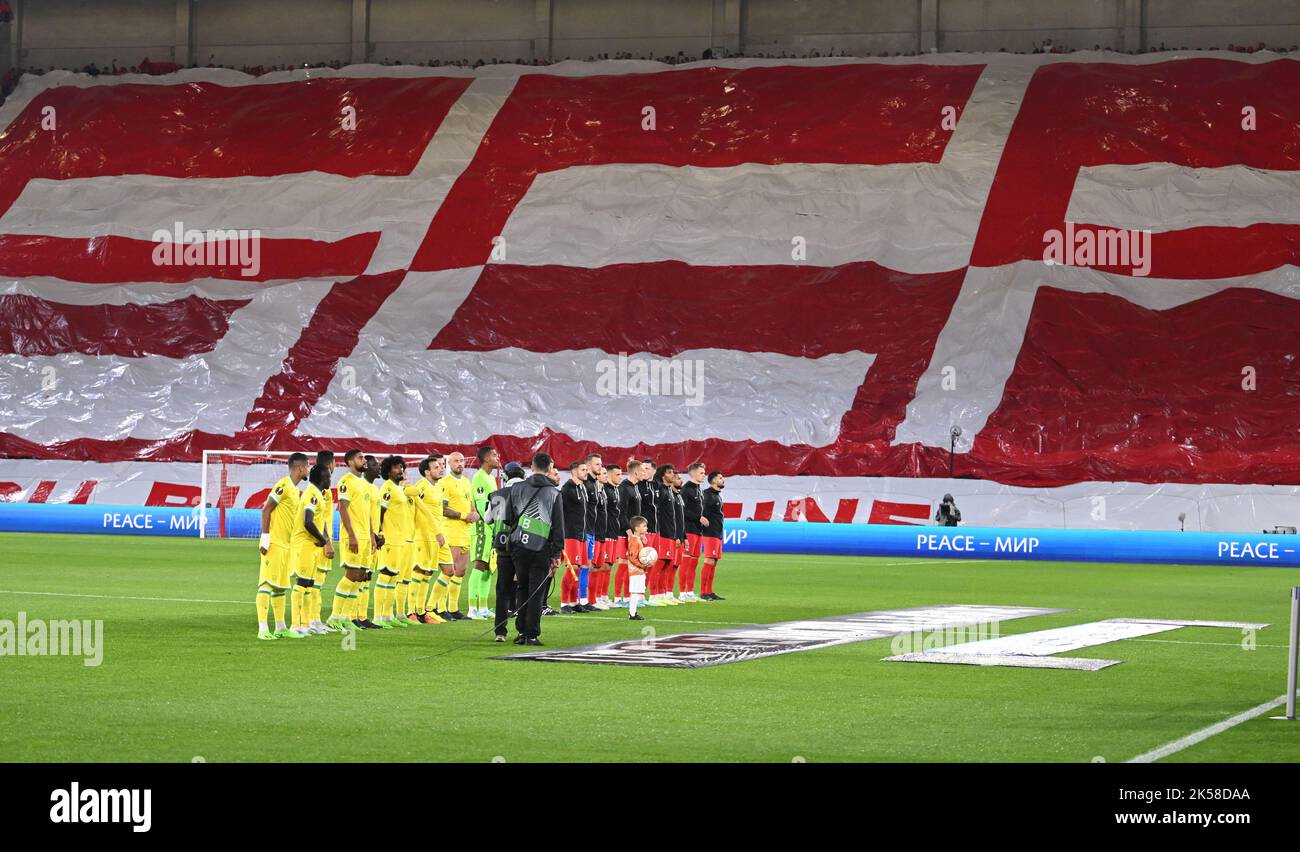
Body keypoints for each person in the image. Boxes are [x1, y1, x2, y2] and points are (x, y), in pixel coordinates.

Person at [503, 453, 566, 645]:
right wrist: (557, 552)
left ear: (531, 466)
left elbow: (507, 517)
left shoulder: (517, 488)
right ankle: (531, 633)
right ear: (549, 468)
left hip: (519, 546)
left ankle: (521, 632)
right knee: (536, 591)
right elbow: (558, 525)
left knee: (521, 588)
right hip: (542, 547)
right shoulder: (554, 493)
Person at [256, 453, 309, 640]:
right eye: (307, 466)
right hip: (275, 543)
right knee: (267, 584)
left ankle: (280, 627)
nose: (308, 470)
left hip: (287, 545)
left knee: (280, 587)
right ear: (300, 468)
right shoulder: (283, 485)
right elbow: (266, 508)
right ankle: (263, 629)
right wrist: (265, 537)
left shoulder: (295, 490)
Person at [328, 449, 377, 631]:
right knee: (350, 576)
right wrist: (352, 535)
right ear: (350, 462)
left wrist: (372, 536)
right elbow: (343, 509)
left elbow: (368, 514)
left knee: (360, 577)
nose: (364, 460)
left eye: (364, 457)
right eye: (360, 458)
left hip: (365, 537)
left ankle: (347, 617)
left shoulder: (364, 484)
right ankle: (335, 616)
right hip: (353, 537)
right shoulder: (345, 482)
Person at [290, 463, 335, 637]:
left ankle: (306, 623)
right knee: (302, 583)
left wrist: (321, 540)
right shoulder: (311, 494)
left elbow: (318, 520)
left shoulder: (318, 494)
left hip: (312, 544)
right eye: (328, 477)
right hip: (304, 544)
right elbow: (308, 522)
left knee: (309, 584)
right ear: (321, 478)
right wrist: (322, 539)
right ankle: (295, 625)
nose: (330, 479)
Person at [374, 456, 416, 629]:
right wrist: (379, 533)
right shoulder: (387, 488)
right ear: (388, 470)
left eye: (402, 467)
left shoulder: (398, 489)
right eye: (397, 467)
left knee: (393, 578)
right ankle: (378, 616)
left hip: (400, 540)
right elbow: (379, 512)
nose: (400, 470)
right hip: (389, 540)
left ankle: (387, 615)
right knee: (385, 575)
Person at [490, 462, 527, 641]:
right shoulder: (526, 493)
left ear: (505, 476)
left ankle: (500, 631)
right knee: (522, 588)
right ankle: (522, 630)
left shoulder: (498, 495)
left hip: (502, 546)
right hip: (522, 545)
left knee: (502, 590)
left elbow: (489, 518)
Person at [438, 452, 476, 619]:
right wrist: (463, 515)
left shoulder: (467, 482)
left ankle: (453, 608)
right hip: (451, 532)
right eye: (456, 461)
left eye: (461, 460)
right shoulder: (445, 483)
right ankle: (440, 608)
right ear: (448, 463)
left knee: (461, 571)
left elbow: (470, 504)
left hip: (465, 532)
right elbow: (443, 509)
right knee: (449, 570)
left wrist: (474, 514)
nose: (459, 464)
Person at [468, 446, 499, 620]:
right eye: (494, 455)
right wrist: (491, 523)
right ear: (486, 459)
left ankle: (483, 607)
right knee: (480, 565)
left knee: (488, 569)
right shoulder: (479, 478)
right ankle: (472, 609)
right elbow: (481, 507)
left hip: (491, 528)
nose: (497, 458)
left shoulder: (491, 478)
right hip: (482, 528)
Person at [559, 459, 590, 613]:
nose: (586, 472)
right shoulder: (567, 489)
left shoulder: (582, 488)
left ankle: (573, 602)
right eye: (583, 470)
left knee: (579, 569)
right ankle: (564, 603)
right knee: (572, 568)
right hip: (571, 534)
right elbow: (559, 512)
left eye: (586, 469)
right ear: (574, 471)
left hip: (582, 535)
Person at [679, 462, 706, 602]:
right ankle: (682, 593)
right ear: (694, 473)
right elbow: (682, 511)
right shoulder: (686, 490)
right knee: (686, 562)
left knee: (694, 562)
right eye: (701, 473)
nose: (704, 475)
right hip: (688, 530)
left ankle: (690, 591)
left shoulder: (699, 490)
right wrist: (698, 517)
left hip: (698, 530)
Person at [699, 471, 726, 600]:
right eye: (720, 478)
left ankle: (709, 591)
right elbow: (700, 510)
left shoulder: (717, 495)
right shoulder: (707, 495)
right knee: (709, 560)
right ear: (714, 481)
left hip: (717, 532)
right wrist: (701, 517)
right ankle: (703, 592)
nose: (723, 480)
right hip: (710, 533)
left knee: (714, 562)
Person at [626, 516, 652, 620]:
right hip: (635, 571)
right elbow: (632, 558)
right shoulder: (634, 540)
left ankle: (633, 612)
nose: (646, 528)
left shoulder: (637, 539)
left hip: (639, 571)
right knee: (635, 592)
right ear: (637, 528)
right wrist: (643, 565)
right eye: (644, 526)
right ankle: (632, 614)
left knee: (637, 592)